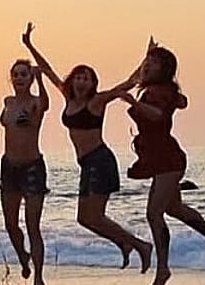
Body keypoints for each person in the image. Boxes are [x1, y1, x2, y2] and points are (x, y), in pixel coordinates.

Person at [23, 23, 152, 271]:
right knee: (85, 219)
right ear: (73, 81)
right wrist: (29, 44)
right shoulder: (68, 97)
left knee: (93, 216)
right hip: (87, 164)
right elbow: (48, 70)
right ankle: (127, 244)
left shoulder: (97, 102)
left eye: (87, 77)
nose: (82, 81)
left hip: (100, 161)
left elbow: (128, 83)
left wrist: (146, 60)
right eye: (78, 76)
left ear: (93, 82)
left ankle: (140, 246)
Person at [120, 42, 205, 285]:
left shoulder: (160, 92)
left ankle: (163, 269)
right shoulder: (160, 88)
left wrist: (132, 103)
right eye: (148, 63)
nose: (148, 66)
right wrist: (146, 56)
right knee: (174, 208)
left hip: (167, 159)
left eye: (154, 63)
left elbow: (158, 116)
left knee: (154, 213)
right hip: (160, 158)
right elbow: (180, 101)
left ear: (165, 70)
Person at [0, 57, 49, 285]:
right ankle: (22, 256)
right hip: (9, 167)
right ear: (12, 78)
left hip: (32, 167)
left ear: (29, 78)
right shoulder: (7, 103)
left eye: (24, 74)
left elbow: (45, 104)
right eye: (16, 74)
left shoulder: (34, 104)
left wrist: (40, 79)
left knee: (32, 226)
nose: (20, 78)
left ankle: (39, 278)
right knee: (10, 224)